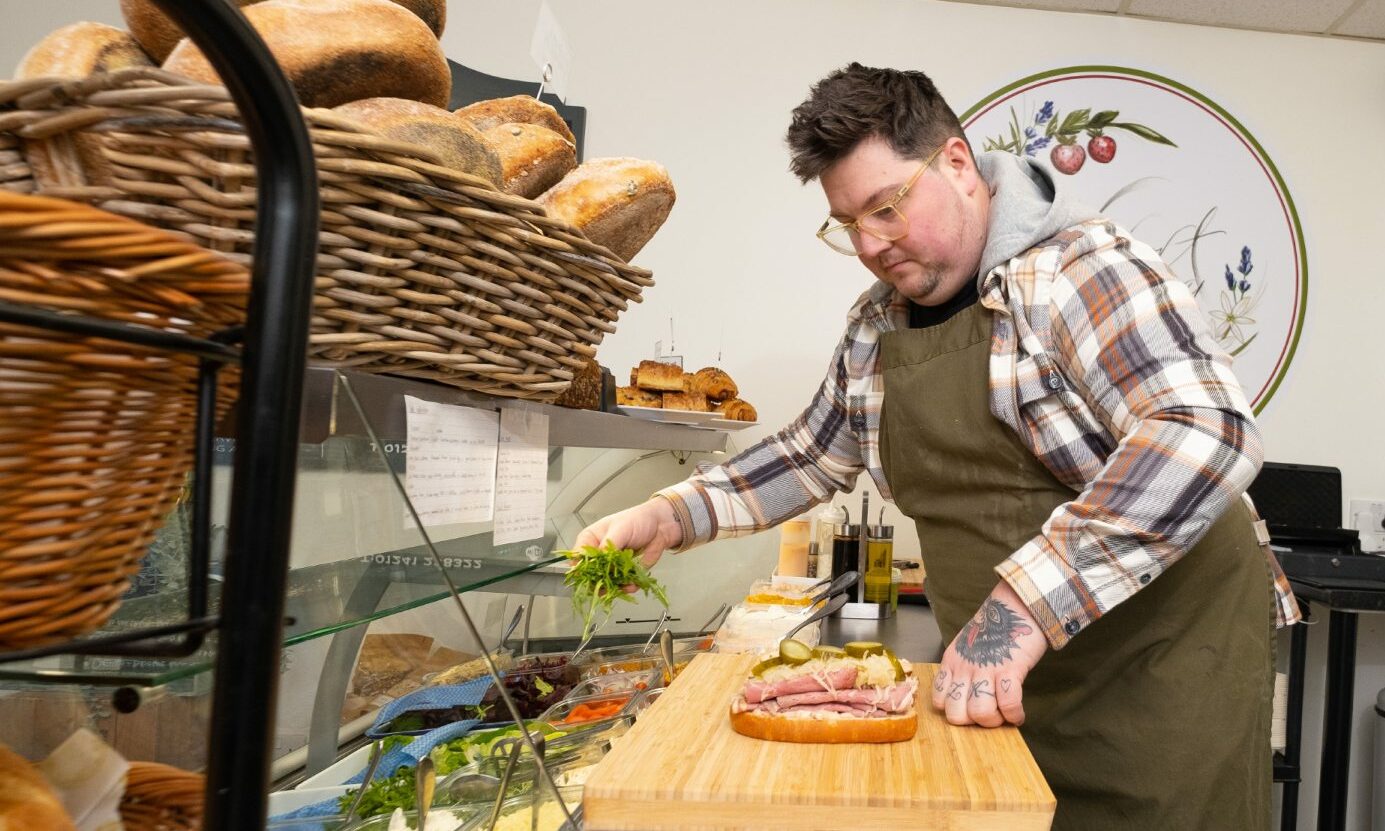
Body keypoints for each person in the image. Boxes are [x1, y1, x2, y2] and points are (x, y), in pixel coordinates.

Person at [573, 62, 1298, 830]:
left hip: (1162, 665)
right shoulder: (876, 324)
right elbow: (810, 453)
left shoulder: (1079, 269)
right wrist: (671, 514)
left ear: (956, 162)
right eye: (847, 223)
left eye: (886, 207)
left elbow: (1201, 428)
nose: (870, 244)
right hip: (1002, 673)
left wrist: (1018, 606)